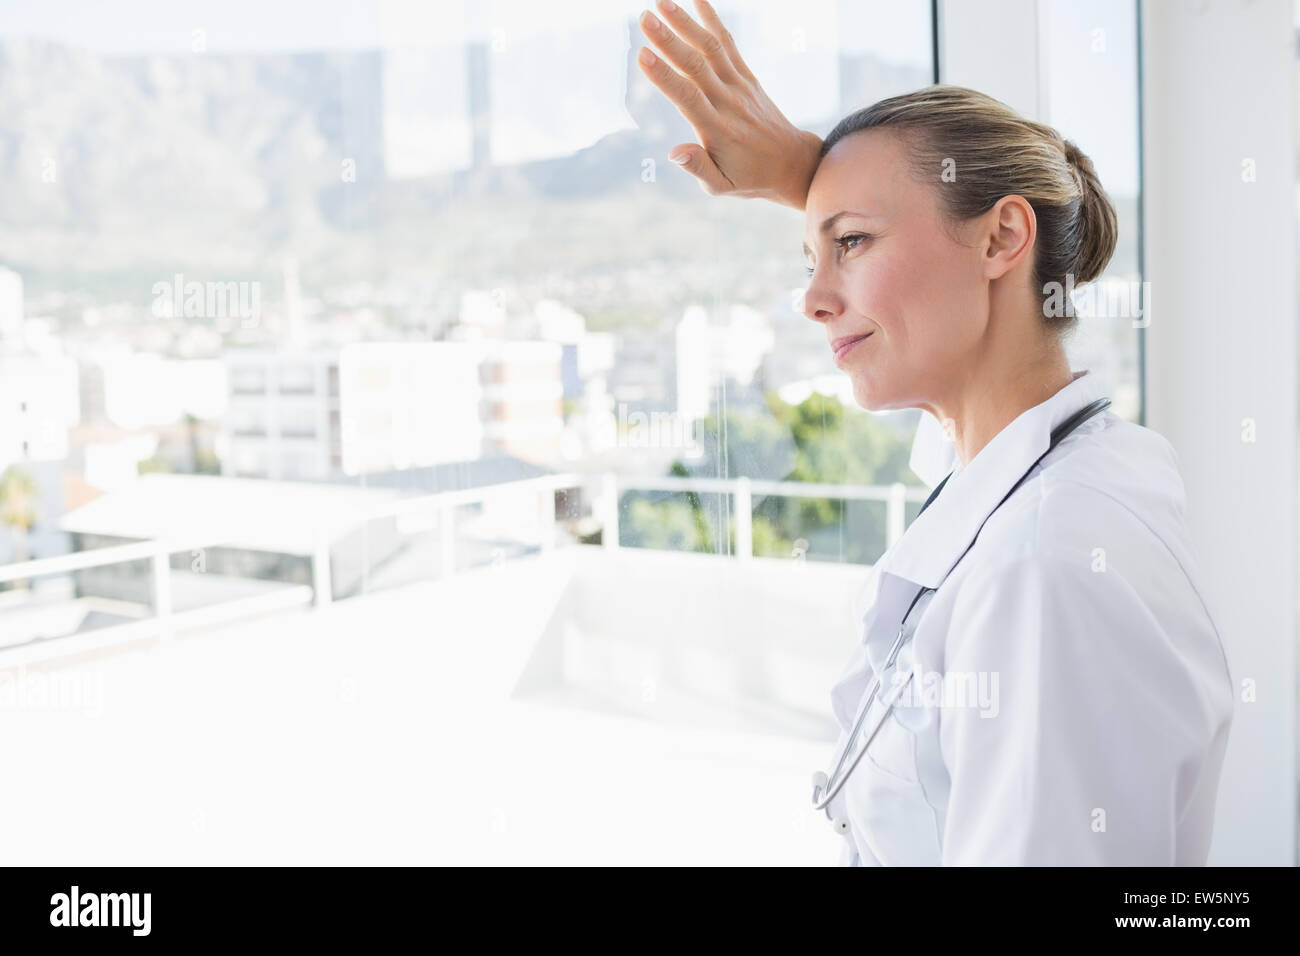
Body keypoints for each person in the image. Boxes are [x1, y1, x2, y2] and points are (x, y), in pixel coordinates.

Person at [637, 0, 1234, 865]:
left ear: (1002, 238)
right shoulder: (1047, 470)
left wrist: (837, 189)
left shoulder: (1044, 563)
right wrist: (825, 185)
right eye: (814, 256)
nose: (813, 298)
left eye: (850, 244)